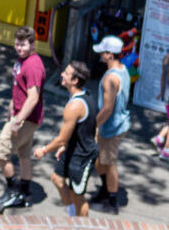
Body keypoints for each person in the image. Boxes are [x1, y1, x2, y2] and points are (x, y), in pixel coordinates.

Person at [35, 61, 98, 218]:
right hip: (72, 147)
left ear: (75, 81)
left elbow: (62, 139)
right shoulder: (83, 94)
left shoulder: (75, 106)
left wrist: (44, 150)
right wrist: (66, 145)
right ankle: (71, 216)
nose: (62, 74)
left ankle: (81, 225)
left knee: (78, 196)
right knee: (57, 178)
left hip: (82, 156)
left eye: (66, 73)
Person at [0, 26, 46, 212]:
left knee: (1, 152)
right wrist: (11, 108)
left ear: (32, 44)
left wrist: (17, 120)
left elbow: (33, 97)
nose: (19, 48)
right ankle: (25, 193)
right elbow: (20, 89)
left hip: (26, 119)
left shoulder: (33, 65)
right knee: (24, 155)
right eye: (17, 44)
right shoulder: (22, 60)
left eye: (23, 45)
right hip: (20, 115)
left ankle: (12, 190)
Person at [89, 35, 130, 214]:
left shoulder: (110, 79)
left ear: (110, 55)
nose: (100, 55)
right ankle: (105, 190)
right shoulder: (123, 69)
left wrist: (92, 126)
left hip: (111, 127)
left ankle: (112, 201)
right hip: (117, 123)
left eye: (103, 52)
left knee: (109, 162)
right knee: (100, 160)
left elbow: (106, 109)